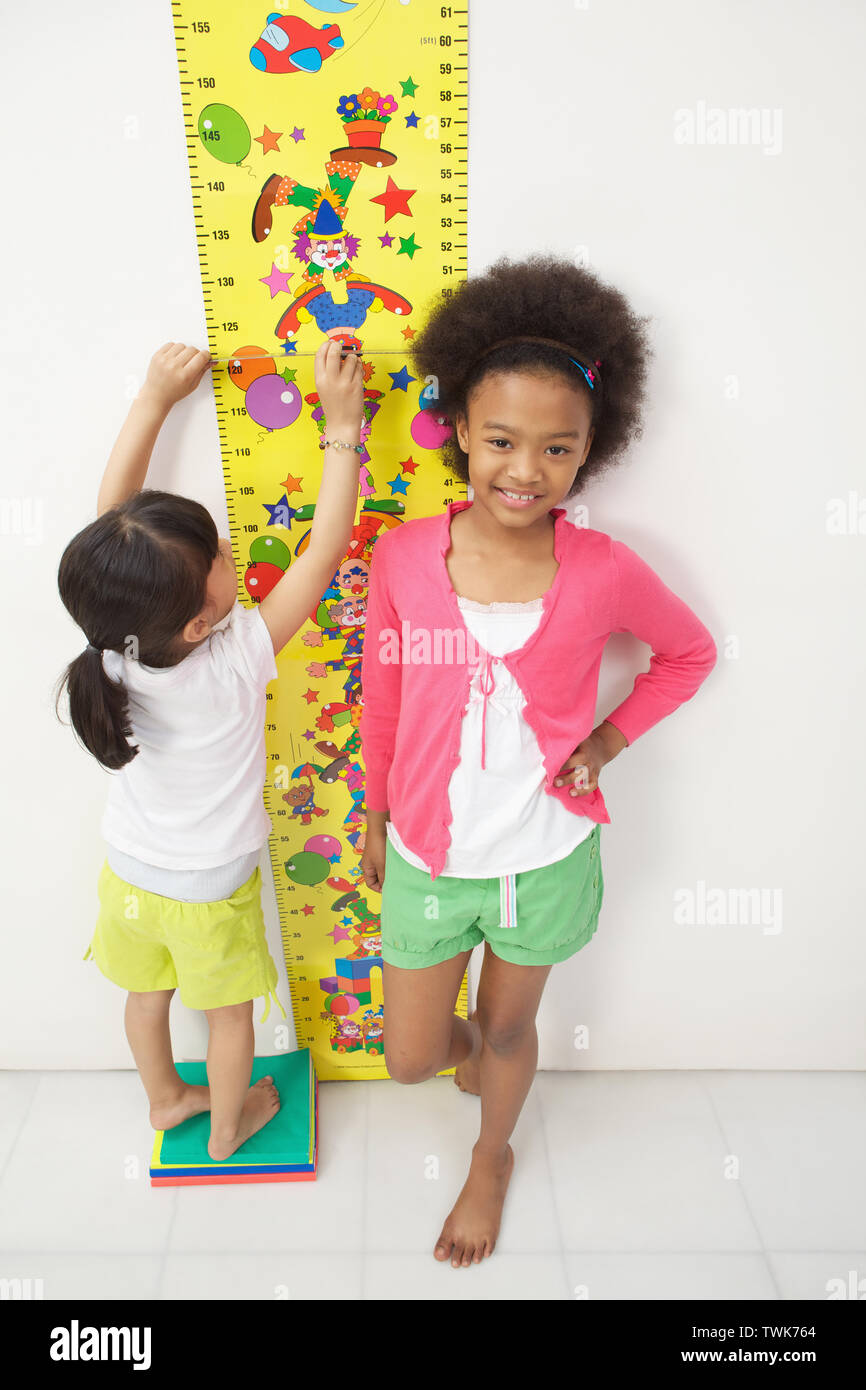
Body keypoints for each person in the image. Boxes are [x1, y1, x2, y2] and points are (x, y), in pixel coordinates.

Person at [359, 252, 718, 1267]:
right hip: (430, 859)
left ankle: (490, 1158)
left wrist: (603, 741)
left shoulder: (602, 571)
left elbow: (686, 652)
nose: (524, 469)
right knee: (412, 1055)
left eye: (556, 449)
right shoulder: (400, 557)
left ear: (587, 452)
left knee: (507, 1034)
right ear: (460, 431)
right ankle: (476, 1071)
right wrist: (375, 811)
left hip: (544, 858)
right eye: (502, 440)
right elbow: (382, 690)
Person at [55, 338, 364, 1161]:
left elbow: (110, 522)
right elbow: (323, 554)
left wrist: (155, 399)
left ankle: (166, 1101)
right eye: (224, 557)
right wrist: (342, 428)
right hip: (209, 886)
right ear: (198, 622)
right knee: (229, 1017)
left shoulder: (111, 643)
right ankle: (229, 1126)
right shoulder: (232, 660)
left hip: (128, 871)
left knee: (146, 994)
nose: (233, 551)